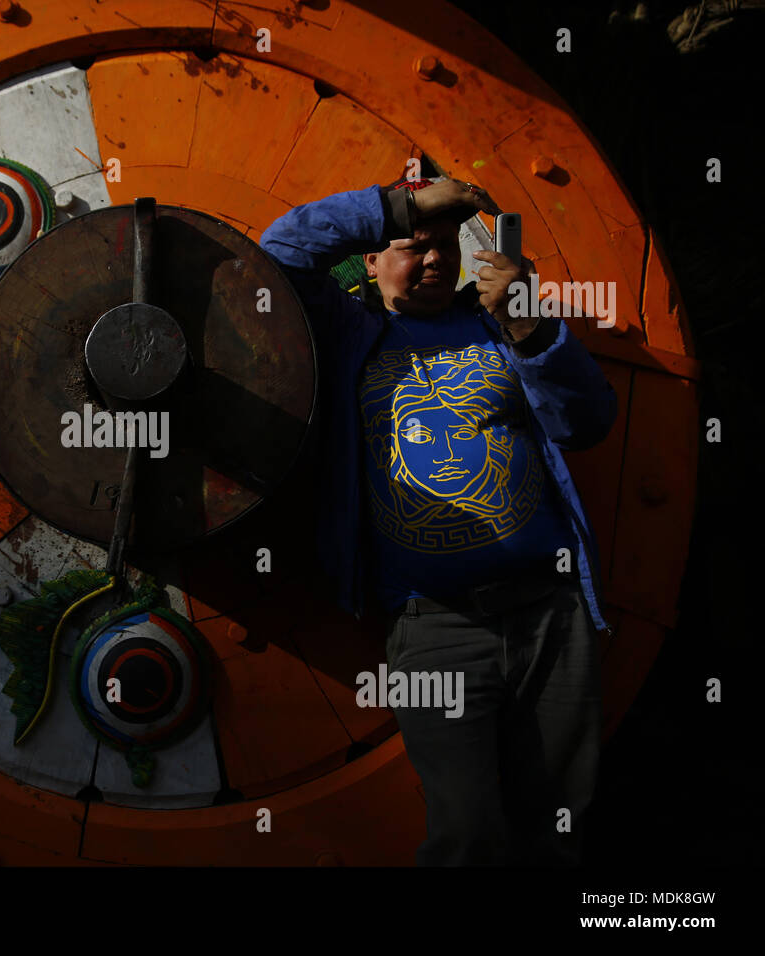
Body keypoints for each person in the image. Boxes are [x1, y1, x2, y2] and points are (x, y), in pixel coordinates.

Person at [260, 177, 617, 865]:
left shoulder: (495, 325)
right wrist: (406, 204)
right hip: (435, 629)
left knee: (563, 830)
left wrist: (529, 324)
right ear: (368, 257)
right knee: (465, 836)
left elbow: (589, 421)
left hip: (551, 613)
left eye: (444, 246)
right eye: (410, 246)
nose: (430, 260)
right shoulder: (344, 333)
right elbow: (276, 254)